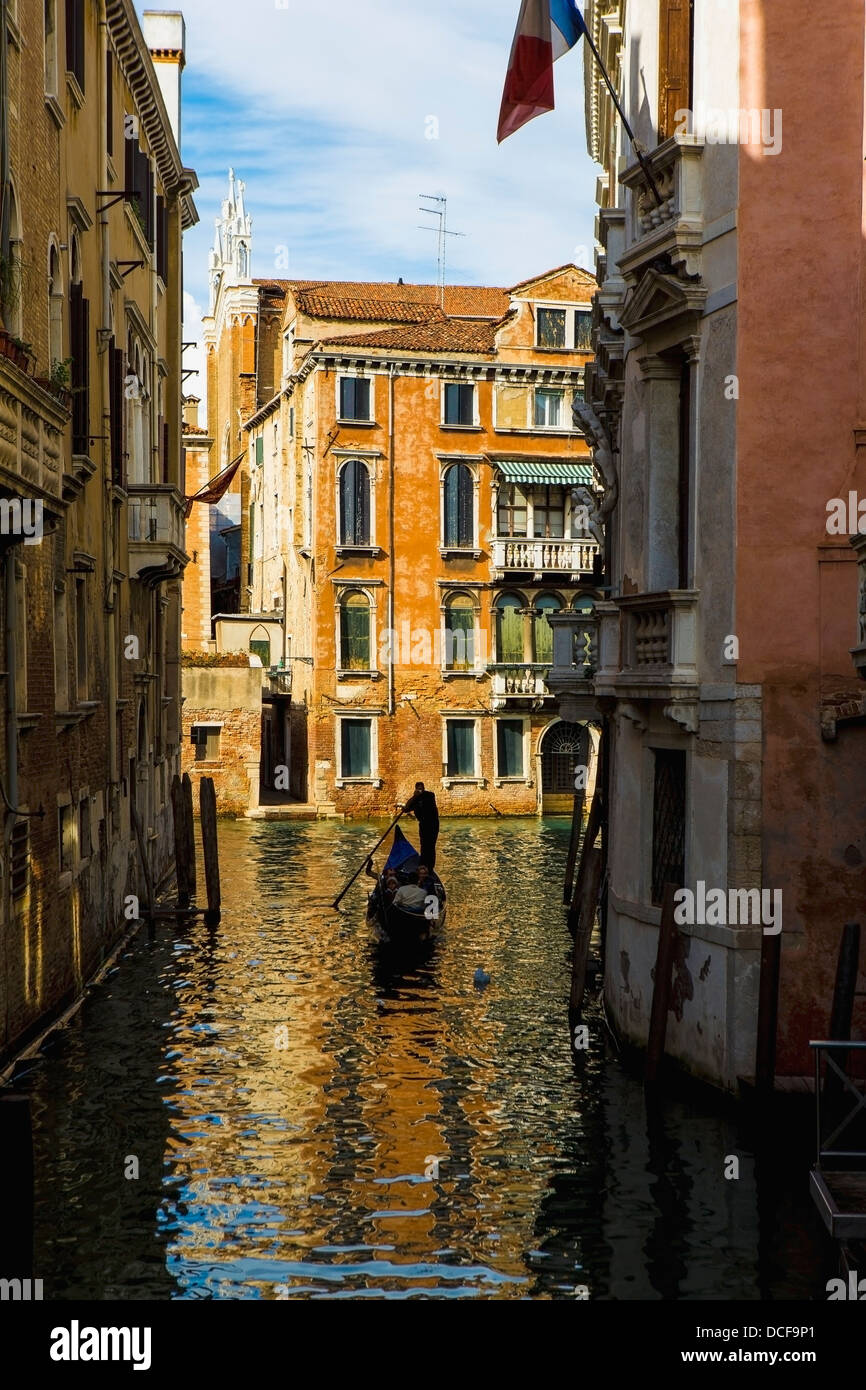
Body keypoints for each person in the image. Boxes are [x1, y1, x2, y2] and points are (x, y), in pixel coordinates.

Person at [406, 781, 439, 870]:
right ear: (416, 789)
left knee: (430, 846)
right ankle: (423, 864)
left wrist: (416, 797)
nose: (420, 790)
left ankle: (430, 867)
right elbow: (406, 808)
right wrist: (414, 797)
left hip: (433, 824)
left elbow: (426, 802)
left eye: (421, 788)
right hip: (423, 825)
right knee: (424, 845)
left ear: (424, 788)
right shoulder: (415, 799)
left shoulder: (430, 795)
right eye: (418, 788)